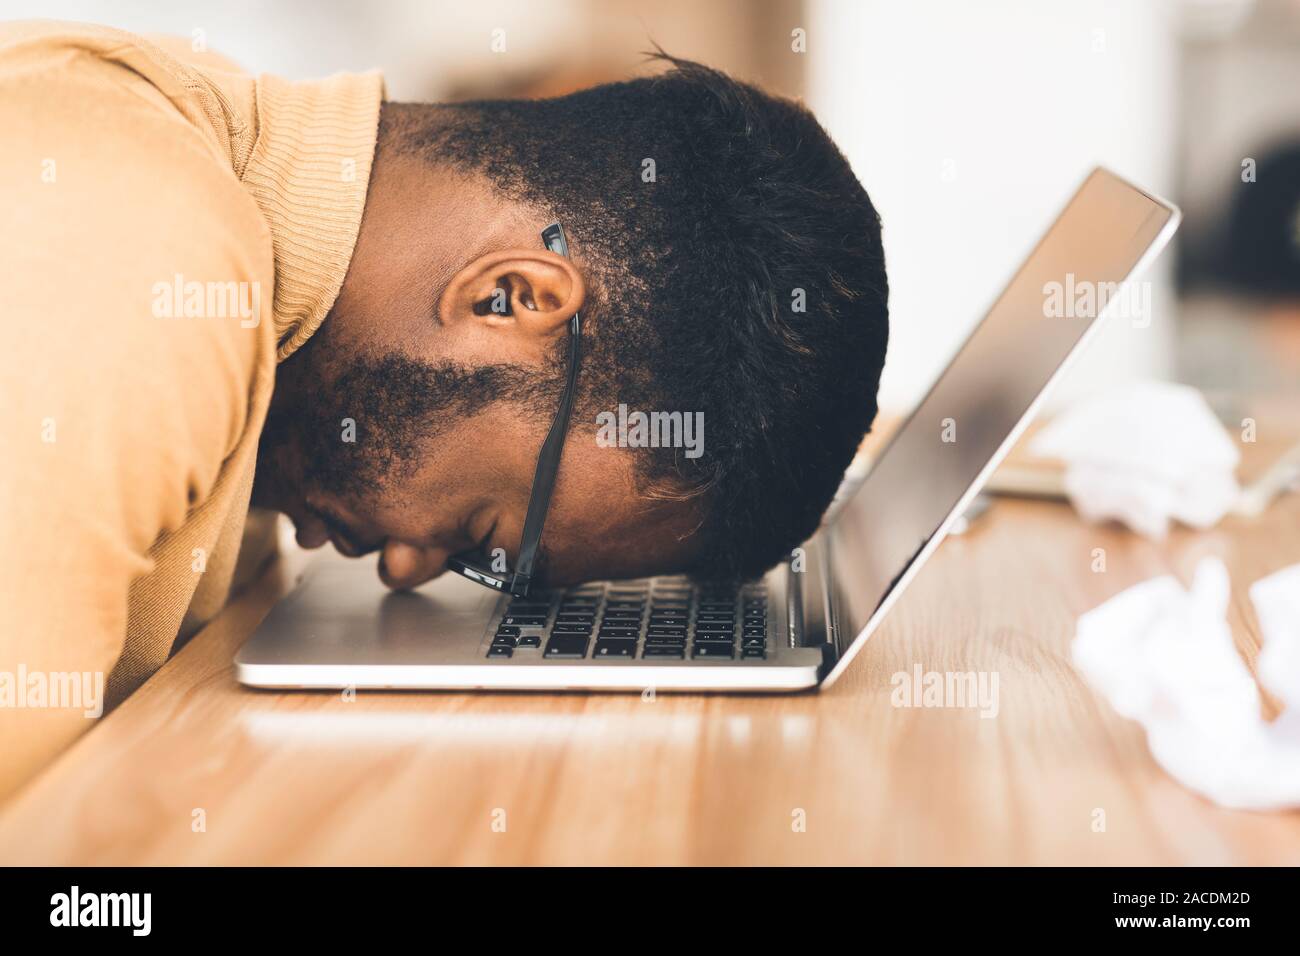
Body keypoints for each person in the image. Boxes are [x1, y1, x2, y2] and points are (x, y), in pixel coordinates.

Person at [0, 20, 888, 797]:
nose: (402, 568)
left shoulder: (222, 201)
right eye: (481, 539)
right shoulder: (151, 253)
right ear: (509, 299)